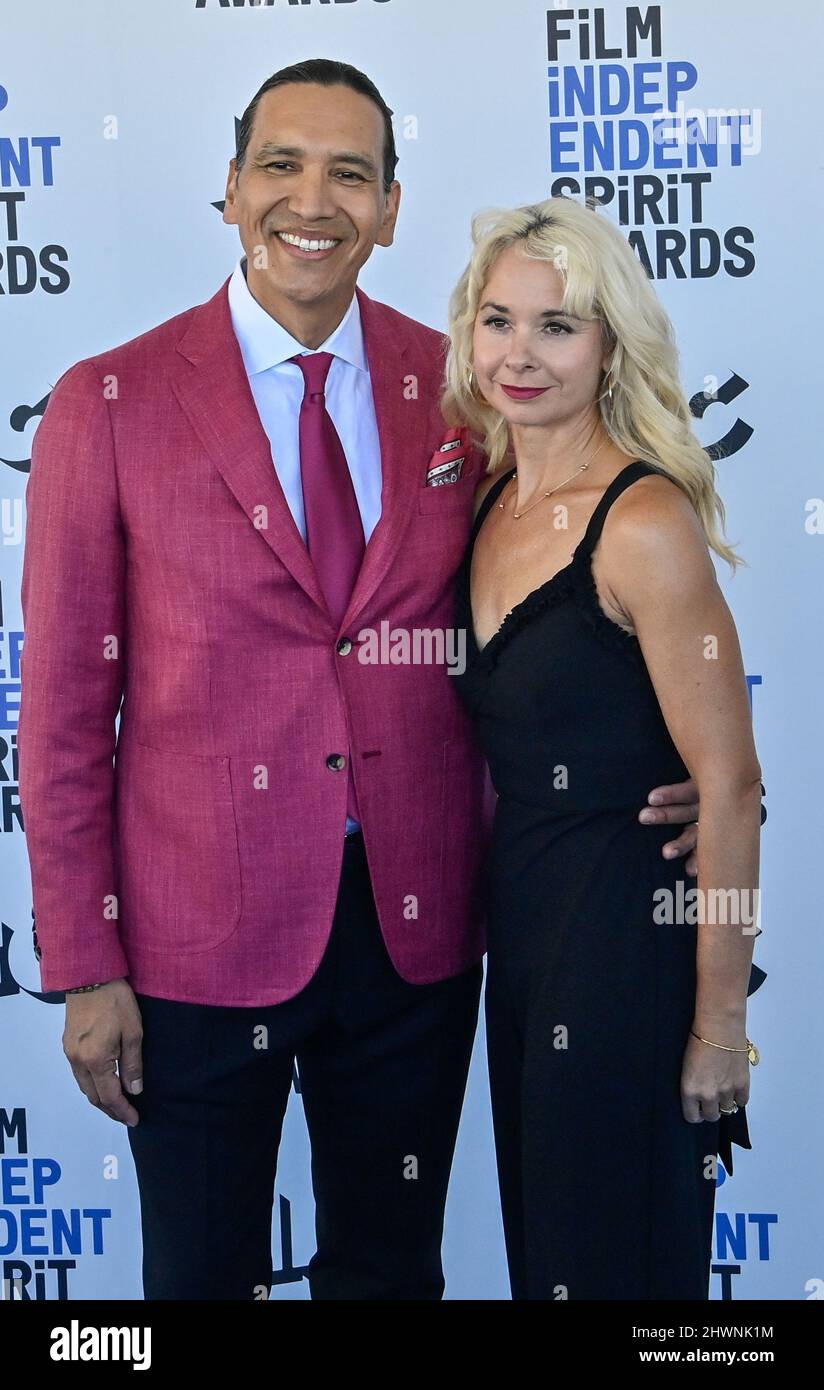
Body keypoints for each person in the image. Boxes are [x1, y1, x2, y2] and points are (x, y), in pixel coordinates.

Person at [18, 64, 704, 1301]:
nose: (311, 199)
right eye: (280, 164)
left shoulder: (465, 389)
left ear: (391, 208)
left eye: (351, 172)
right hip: (190, 950)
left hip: (417, 932)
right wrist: (85, 961)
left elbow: (565, 595)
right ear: (228, 190)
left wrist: (670, 775)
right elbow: (62, 715)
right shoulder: (105, 403)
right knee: (195, 1281)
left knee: (391, 1274)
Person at [446, 196, 763, 1300]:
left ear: (609, 344)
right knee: (552, 1255)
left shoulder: (642, 523)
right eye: (498, 321)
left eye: (557, 325)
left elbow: (728, 788)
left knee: (616, 1255)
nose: (518, 354)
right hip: (523, 936)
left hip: (627, 937)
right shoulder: (484, 501)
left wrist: (721, 1027)